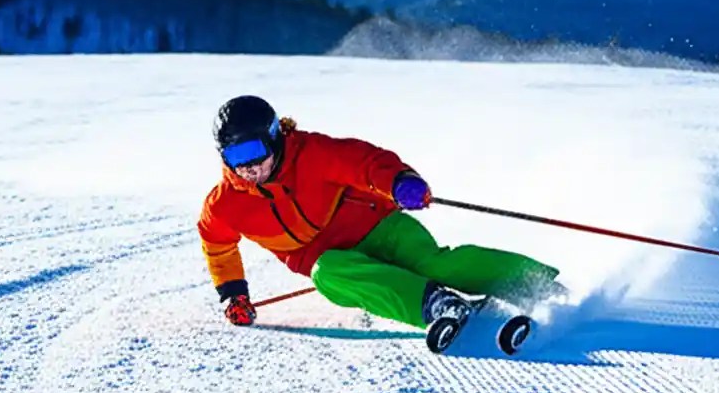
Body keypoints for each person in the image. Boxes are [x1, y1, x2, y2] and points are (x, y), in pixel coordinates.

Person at [197, 95, 565, 330]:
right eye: (234, 157)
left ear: (275, 136)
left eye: (253, 151)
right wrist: (234, 295)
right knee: (328, 274)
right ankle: (434, 304)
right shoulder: (225, 203)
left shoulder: (311, 152)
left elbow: (366, 162)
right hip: (333, 258)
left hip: (379, 225)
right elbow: (218, 246)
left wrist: (400, 181)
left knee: (434, 265)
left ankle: (535, 284)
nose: (247, 167)